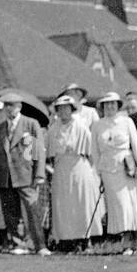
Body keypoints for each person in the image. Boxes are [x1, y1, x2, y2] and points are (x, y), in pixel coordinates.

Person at [91, 91, 137, 252]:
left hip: (127, 168)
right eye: (106, 104)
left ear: (118, 106)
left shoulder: (127, 122)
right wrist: (97, 173)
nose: (110, 106)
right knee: (119, 205)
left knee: (131, 203)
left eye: (113, 103)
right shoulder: (97, 125)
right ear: (102, 106)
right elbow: (95, 151)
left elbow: (135, 145)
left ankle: (135, 236)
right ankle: (130, 238)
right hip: (108, 170)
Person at [0, 93, 47, 255]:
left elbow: (38, 151)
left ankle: (40, 245)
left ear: (19, 107)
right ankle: (18, 243)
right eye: (6, 106)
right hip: (5, 177)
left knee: (32, 211)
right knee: (10, 213)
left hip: (26, 175)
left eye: (12, 105)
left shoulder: (30, 124)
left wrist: (39, 174)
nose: (9, 109)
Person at [46, 94, 102, 249]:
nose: (64, 112)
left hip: (79, 166)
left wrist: (92, 171)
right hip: (61, 169)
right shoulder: (53, 129)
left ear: (72, 110)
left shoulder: (80, 126)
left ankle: (85, 239)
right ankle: (65, 239)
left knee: (81, 202)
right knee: (63, 204)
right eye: (60, 109)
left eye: (67, 108)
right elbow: (49, 153)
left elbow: (91, 151)